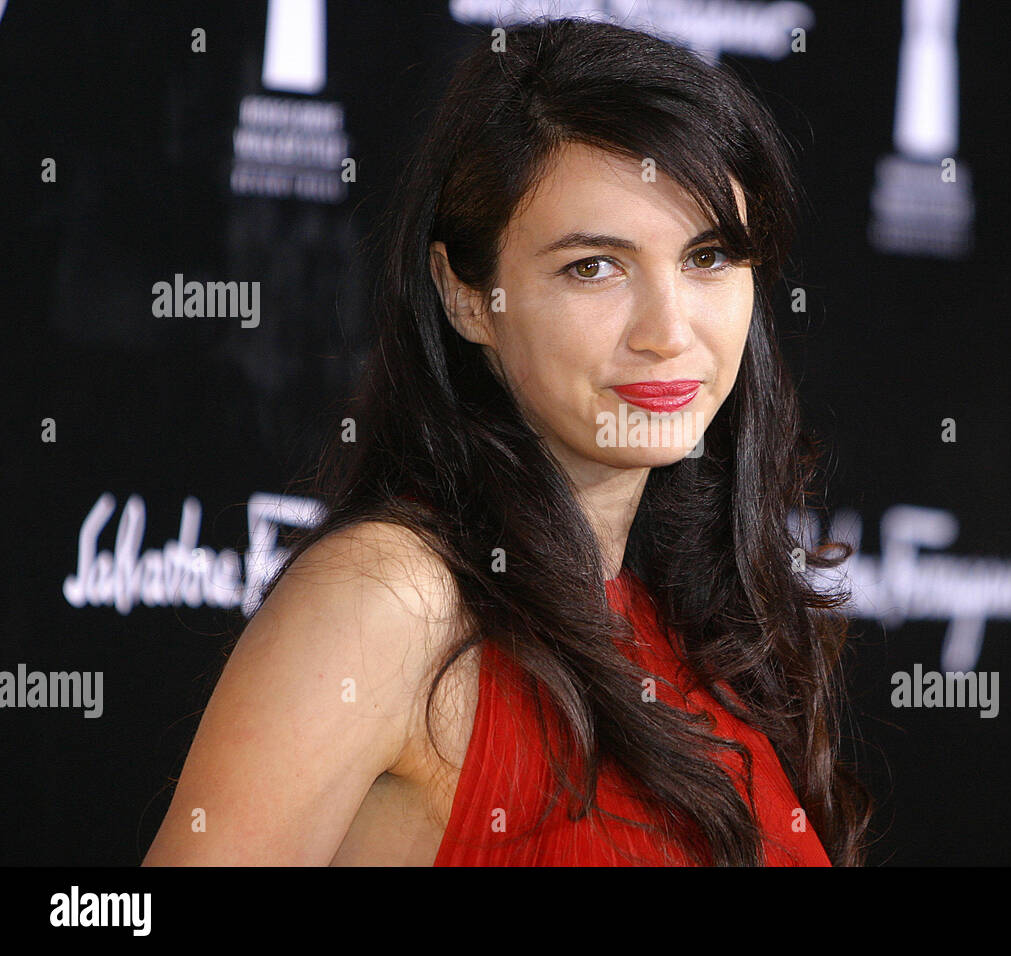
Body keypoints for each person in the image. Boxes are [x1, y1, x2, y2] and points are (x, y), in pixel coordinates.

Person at [144, 16, 873, 867]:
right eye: (593, 266)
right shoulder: (393, 602)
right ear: (464, 296)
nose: (668, 332)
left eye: (707, 256)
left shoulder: (697, 617)